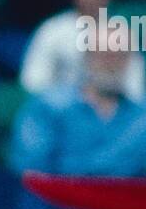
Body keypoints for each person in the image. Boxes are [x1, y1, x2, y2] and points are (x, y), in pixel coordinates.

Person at [20, 0, 144, 101]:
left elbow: (134, 89)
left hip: (111, 115)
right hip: (60, 113)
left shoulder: (121, 32)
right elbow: (33, 82)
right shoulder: (52, 31)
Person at [11, 49, 146, 176]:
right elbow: (31, 168)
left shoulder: (140, 119)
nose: (111, 64)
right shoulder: (48, 106)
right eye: (104, 55)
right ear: (86, 58)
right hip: (54, 199)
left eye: (120, 56)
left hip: (119, 199)